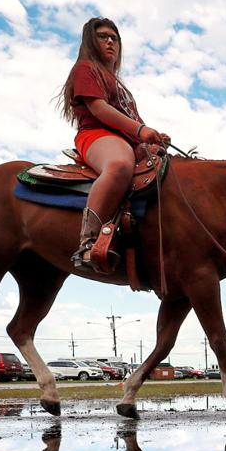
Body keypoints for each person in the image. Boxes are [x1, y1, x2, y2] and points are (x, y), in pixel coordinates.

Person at [57, 17, 169, 272]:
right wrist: (141, 130)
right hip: (96, 135)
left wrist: (152, 139)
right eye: (102, 36)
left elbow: (131, 121)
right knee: (119, 165)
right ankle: (88, 243)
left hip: (126, 141)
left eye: (114, 38)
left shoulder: (119, 85)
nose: (110, 42)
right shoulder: (85, 68)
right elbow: (99, 109)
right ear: (90, 41)